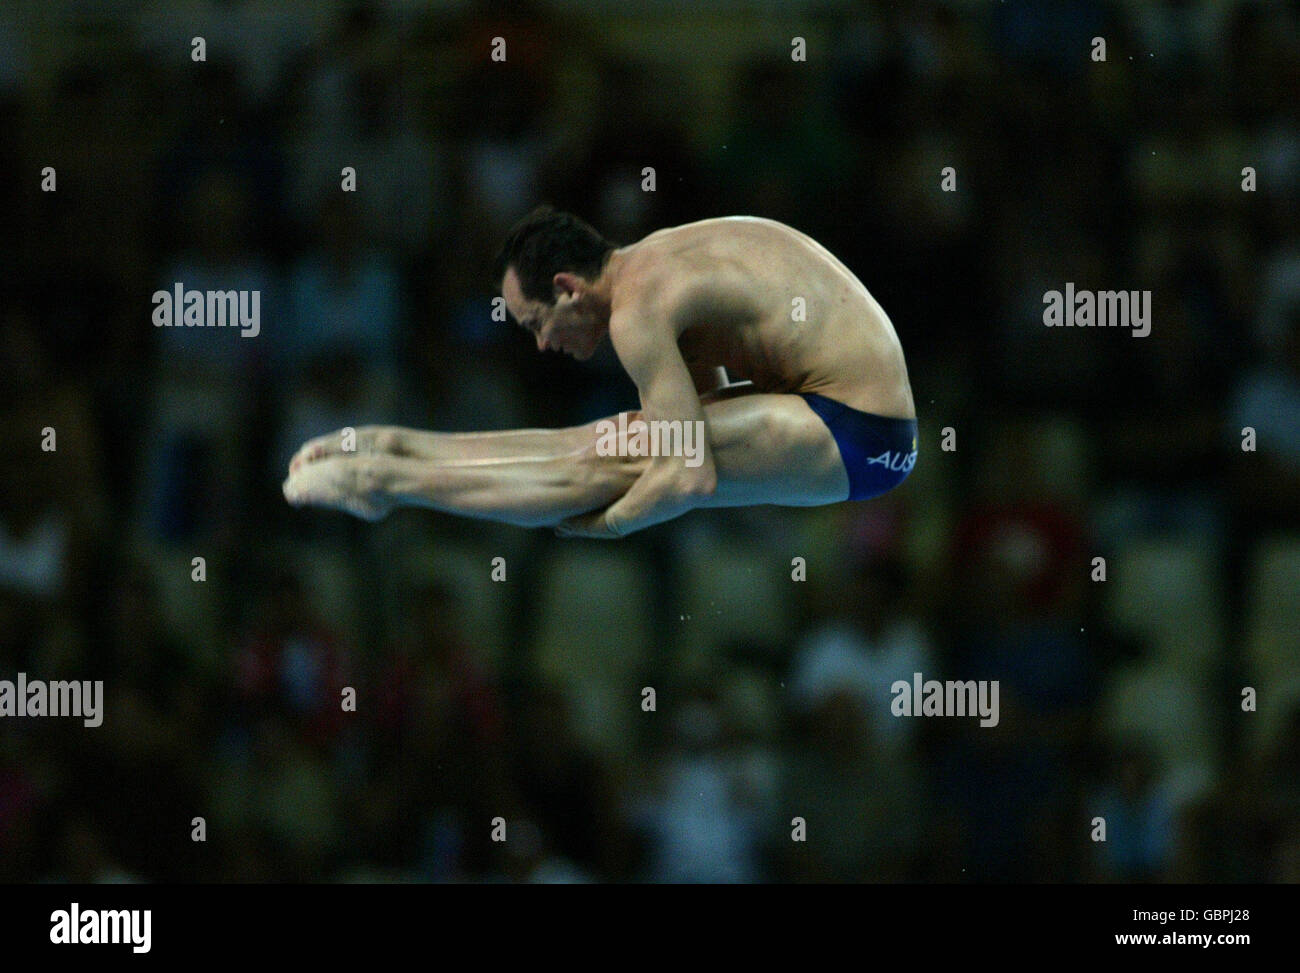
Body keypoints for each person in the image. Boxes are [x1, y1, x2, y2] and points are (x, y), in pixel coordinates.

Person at [283, 207, 918, 538]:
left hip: (863, 437)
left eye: (536, 323)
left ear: (566, 288)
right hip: (837, 403)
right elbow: (702, 410)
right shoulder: (659, 264)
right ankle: (396, 447)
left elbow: (687, 478)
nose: (540, 346)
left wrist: (608, 525)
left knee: (606, 465)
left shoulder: (640, 309)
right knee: (616, 440)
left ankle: (386, 481)